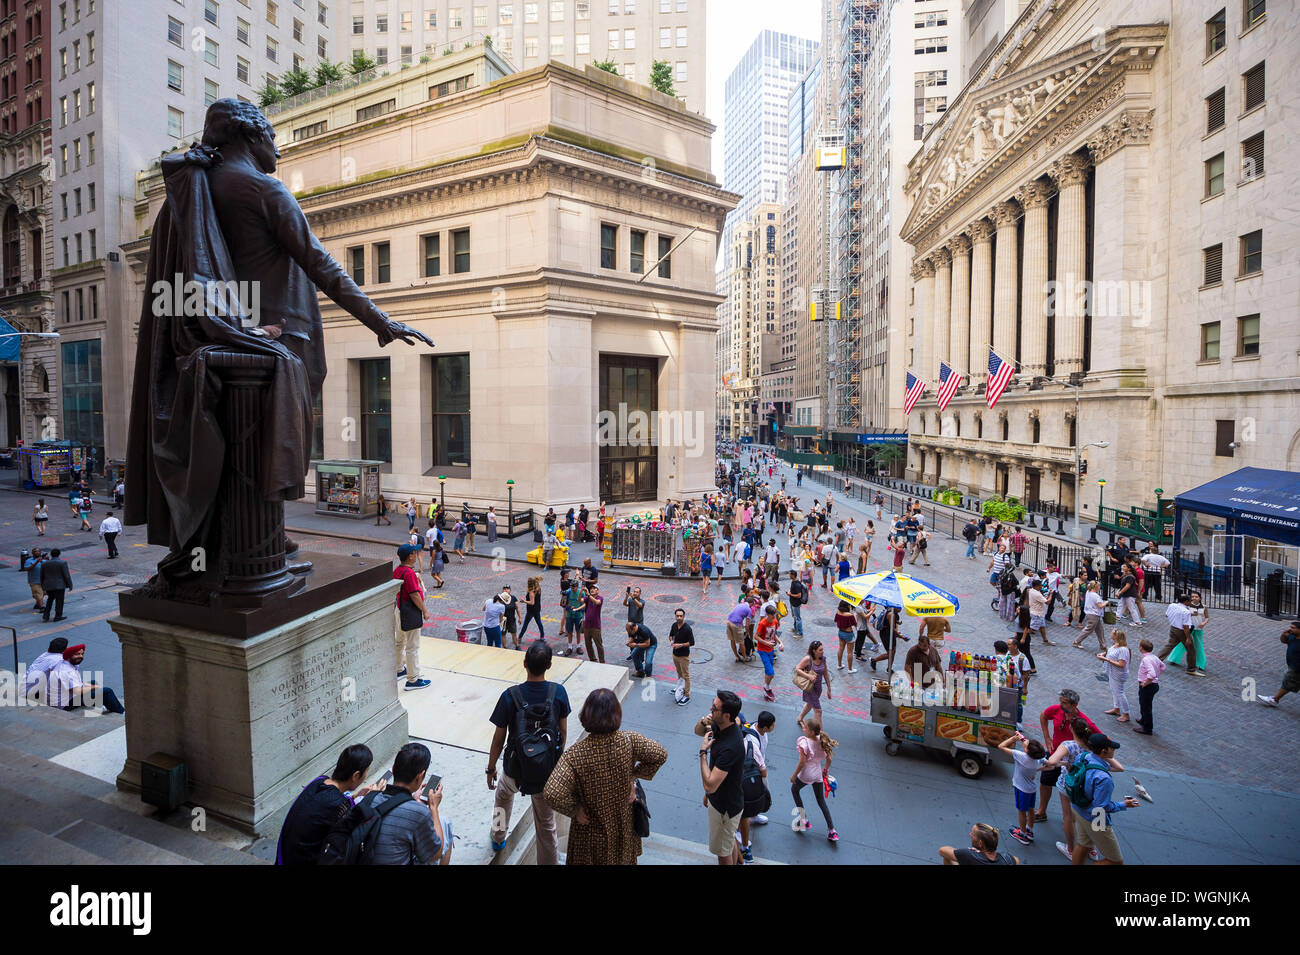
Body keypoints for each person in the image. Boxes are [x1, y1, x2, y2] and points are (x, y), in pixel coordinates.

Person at [543, 688, 667, 865]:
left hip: (589, 833)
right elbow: (659, 754)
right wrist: (633, 776)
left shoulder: (575, 755)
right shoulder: (629, 741)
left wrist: (574, 810)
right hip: (623, 826)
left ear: (586, 715)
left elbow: (551, 793)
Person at [487, 641, 569, 862]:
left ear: (524, 663)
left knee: (502, 796)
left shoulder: (509, 695)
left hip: (515, 768)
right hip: (545, 773)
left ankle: (498, 836)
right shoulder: (559, 693)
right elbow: (562, 732)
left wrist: (491, 767)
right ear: (549, 665)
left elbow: (498, 739)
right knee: (546, 825)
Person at [276, 744, 381, 865]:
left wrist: (354, 796)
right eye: (366, 772)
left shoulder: (319, 781)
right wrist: (373, 797)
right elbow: (354, 829)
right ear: (356, 775)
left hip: (285, 855)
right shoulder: (338, 805)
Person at [365, 743, 450, 866]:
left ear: (393, 769)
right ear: (420, 776)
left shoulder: (370, 798)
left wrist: (412, 801)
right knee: (445, 824)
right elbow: (435, 854)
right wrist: (433, 808)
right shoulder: (420, 812)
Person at [1066, 733, 1140, 865]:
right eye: (1111, 748)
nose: (1114, 750)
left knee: (1083, 844)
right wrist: (1124, 805)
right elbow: (1100, 808)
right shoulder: (1104, 778)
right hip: (1096, 819)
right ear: (1103, 751)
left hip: (1078, 807)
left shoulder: (1082, 757)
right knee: (1115, 861)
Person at [1036, 690, 1099, 828]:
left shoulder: (1085, 721)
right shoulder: (1057, 710)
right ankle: (1042, 811)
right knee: (1045, 782)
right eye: (1060, 701)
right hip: (1054, 754)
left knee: (1071, 790)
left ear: (1074, 704)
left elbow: (1101, 739)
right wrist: (1047, 737)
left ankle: (1072, 820)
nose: (1061, 705)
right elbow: (1043, 716)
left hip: (1072, 763)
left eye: (1064, 703)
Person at [697, 689, 747, 865]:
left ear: (726, 715)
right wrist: (705, 720)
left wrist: (703, 752)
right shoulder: (724, 725)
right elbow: (697, 730)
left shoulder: (731, 746)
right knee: (728, 842)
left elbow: (710, 785)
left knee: (722, 852)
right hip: (725, 800)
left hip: (725, 807)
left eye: (715, 708)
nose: (711, 708)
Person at [790, 717, 838, 841]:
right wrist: (825, 771)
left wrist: (794, 775)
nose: (803, 728)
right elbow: (829, 759)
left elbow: (802, 762)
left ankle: (803, 819)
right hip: (817, 773)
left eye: (805, 727)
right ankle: (832, 830)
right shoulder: (822, 740)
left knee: (794, 790)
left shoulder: (804, 742)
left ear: (811, 732)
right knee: (821, 801)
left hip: (807, 773)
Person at [737, 711, 775, 861]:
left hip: (757, 769)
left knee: (752, 802)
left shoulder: (761, 732)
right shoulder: (751, 739)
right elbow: (758, 766)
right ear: (765, 727)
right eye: (772, 725)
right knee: (751, 800)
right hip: (752, 774)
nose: (774, 727)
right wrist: (762, 781)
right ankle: (740, 832)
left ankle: (753, 815)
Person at [45, 644, 125, 714]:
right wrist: (95, 687)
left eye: (82, 654)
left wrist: (93, 686)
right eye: (77, 654)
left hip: (62, 697)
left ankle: (102, 704)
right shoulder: (67, 671)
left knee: (94, 682)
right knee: (107, 691)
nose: (81, 656)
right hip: (64, 704)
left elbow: (79, 683)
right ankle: (122, 712)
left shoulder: (65, 664)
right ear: (69, 656)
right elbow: (77, 691)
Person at [998, 733, 1047, 846]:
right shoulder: (1038, 758)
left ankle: (1022, 834)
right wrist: (1023, 739)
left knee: (1021, 812)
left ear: (1026, 751)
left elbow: (1001, 746)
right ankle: (1029, 830)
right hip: (1031, 789)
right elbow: (1048, 764)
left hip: (1021, 789)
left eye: (1026, 745)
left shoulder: (1021, 756)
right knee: (1030, 810)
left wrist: (1014, 738)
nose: (1025, 742)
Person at [393, 545, 430, 690]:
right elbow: (414, 594)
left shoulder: (397, 570)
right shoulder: (409, 574)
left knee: (399, 641)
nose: (417, 555)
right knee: (412, 646)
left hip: (399, 609)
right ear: (410, 556)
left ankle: (399, 669)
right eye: (415, 553)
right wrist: (425, 611)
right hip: (409, 612)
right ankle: (413, 679)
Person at [1256, 620, 1300, 709]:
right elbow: (1283, 641)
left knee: (1287, 683)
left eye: (1293, 628)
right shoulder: (1291, 636)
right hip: (1292, 665)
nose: (1290, 629)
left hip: (1297, 668)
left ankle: (1274, 699)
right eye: (1290, 627)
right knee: (1290, 683)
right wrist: (1283, 635)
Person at [1167, 591, 1209, 675]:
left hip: (1198, 629)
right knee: (1181, 644)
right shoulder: (1187, 606)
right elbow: (1183, 615)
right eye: (1192, 597)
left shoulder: (1204, 607)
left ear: (1200, 598)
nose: (1194, 598)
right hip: (1189, 628)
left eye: (1196, 597)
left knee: (1199, 646)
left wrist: (1204, 623)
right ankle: (1173, 659)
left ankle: (1200, 664)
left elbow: (1207, 617)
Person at [938, 824, 1020, 865]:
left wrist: (970, 851)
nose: (970, 834)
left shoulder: (969, 855)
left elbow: (942, 850)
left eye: (973, 834)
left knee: (948, 857)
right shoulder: (1007, 859)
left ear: (980, 844)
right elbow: (1017, 860)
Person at [1157, 592, 1198, 675]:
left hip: (1173, 628)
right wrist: (1188, 638)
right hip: (1182, 631)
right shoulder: (1185, 612)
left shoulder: (1172, 605)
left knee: (1169, 646)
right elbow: (1185, 626)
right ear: (1186, 602)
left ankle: (1156, 661)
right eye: (1190, 600)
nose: (1191, 602)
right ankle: (1191, 669)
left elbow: (1167, 615)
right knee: (1191, 650)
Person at [20, 637, 68, 702]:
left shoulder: (44, 655)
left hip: (24, 688)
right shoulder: (59, 660)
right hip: (32, 693)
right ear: (64, 650)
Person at [1099, 630, 1132, 722]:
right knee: (1114, 691)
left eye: (1112, 633)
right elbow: (1109, 653)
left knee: (1120, 692)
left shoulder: (1123, 650)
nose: (1110, 634)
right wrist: (1102, 655)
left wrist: (1106, 659)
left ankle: (1126, 713)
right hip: (1112, 672)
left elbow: (1122, 664)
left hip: (1118, 674)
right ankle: (1116, 708)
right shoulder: (1115, 645)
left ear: (1116, 636)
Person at [796, 641, 831, 724]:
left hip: (818, 688)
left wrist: (829, 688)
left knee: (810, 704)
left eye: (822, 649)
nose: (823, 651)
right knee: (818, 711)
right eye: (820, 650)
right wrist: (809, 676)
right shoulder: (808, 659)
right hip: (810, 688)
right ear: (814, 651)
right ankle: (819, 734)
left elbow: (825, 673)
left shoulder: (823, 659)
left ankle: (800, 718)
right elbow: (797, 669)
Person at [754, 605, 785, 702]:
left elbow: (774, 634)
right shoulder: (762, 624)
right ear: (767, 614)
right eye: (772, 616)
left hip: (770, 650)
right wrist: (767, 643)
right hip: (762, 649)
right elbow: (756, 637)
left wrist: (781, 642)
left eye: (774, 615)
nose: (773, 618)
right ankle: (766, 687)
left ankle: (767, 686)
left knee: (768, 671)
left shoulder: (775, 621)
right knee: (771, 673)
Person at [668, 608, 694, 705]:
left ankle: (687, 695)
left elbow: (692, 642)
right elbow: (671, 635)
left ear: (683, 617)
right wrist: (671, 641)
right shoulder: (674, 625)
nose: (679, 617)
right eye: (677, 616)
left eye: (681, 616)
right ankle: (679, 688)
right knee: (679, 673)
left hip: (684, 655)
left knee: (686, 675)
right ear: (675, 616)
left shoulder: (687, 628)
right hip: (675, 654)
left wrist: (681, 645)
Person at [1072, 581, 1108, 651]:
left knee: (1100, 630)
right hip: (1094, 614)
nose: (1099, 588)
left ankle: (1103, 645)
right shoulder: (1095, 596)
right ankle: (1077, 641)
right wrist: (1106, 603)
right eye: (1099, 586)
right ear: (1096, 587)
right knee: (1089, 629)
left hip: (1091, 613)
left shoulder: (1088, 592)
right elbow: (1100, 606)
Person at [39, 548, 73, 622]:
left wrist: (42, 585)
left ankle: (46, 615)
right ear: (59, 554)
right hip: (59, 585)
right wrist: (70, 585)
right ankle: (58, 616)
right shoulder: (62, 563)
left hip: (48, 585)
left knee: (50, 600)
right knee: (59, 601)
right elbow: (66, 575)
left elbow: (42, 575)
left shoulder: (45, 563)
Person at [869, 605, 903, 672]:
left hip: (890, 634)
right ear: (894, 607)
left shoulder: (893, 613)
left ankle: (889, 668)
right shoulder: (891, 614)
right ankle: (874, 660)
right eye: (899, 608)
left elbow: (891, 622)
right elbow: (892, 628)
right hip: (886, 634)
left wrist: (897, 622)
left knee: (893, 652)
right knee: (890, 653)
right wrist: (900, 636)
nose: (900, 609)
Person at [581, 584, 605, 662]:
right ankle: (592, 659)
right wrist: (581, 591)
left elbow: (597, 603)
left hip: (596, 626)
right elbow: (579, 600)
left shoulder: (600, 598)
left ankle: (602, 661)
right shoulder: (587, 598)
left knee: (599, 645)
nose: (592, 589)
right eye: (591, 588)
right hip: (587, 625)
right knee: (588, 644)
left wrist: (588, 595)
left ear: (597, 590)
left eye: (594, 588)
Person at [1114, 560, 1143, 626]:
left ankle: (1137, 622)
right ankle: (1118, 616)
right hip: (1126, 594)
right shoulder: (1126, 575)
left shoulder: (1130, 576)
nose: (1123, 568)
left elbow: (1127, 586)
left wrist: (1120, 592)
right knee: (1120, 604)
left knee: (1131, 607)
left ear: (1129, 568)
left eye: (1124, 567)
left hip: (1130, 594)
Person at [725, 597, 753, 664]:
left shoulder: (740, 604)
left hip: (729, 622)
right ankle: (745, 658)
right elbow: (747, 624)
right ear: (751, 603)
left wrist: (742, 624)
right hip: (736, 624)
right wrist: (747, 632)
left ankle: (737, 657)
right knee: (741, 642)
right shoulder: (749, 609)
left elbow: (738, 614)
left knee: (732, 640)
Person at [562, 578, 585, 657]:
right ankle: (570, 647)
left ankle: (578, 646)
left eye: (574, 587)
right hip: (569, 615)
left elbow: (585, 603)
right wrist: (568, 607)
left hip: (578, 615)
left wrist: (582, 612)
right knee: (569, 632)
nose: (573, 589)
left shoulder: (581, 593)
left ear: (577, 587)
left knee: (578, 631)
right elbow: (563, 604)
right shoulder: (568, 592)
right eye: (571, 587)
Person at [834, 600, 857, 672]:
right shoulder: (849, 615)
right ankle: (850, 669)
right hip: (848, 634)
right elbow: (855, 624)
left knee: (841, 649)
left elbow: (835, 620)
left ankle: (839, 665)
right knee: (850, 652)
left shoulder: (838, 612)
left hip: (841, 632)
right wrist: (855, 616)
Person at [786, 570, 807, 638]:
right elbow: (792, 589)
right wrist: (790, 591)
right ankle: (795, 628)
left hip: (796, 603)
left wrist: (790, 594)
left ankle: (800, 633)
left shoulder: (797, 584)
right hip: (792, 602)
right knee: (794, 616)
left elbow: (799, 595)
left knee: (798, 618)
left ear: (793, 575)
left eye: (790, 574)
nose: (789, 576)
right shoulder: (793, 582)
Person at [25, 548, 46, 613]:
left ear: (40, 552)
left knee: (44, 593)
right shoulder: (29, 560)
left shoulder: (44, 560)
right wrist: (36, 562)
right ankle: (42, 607)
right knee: (38, 593)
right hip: (34, 581)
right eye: (35, 551)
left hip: (44, 581)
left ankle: (37, 604)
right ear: (32, 553)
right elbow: (27, 569)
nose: (37, 552)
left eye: (38, 551)